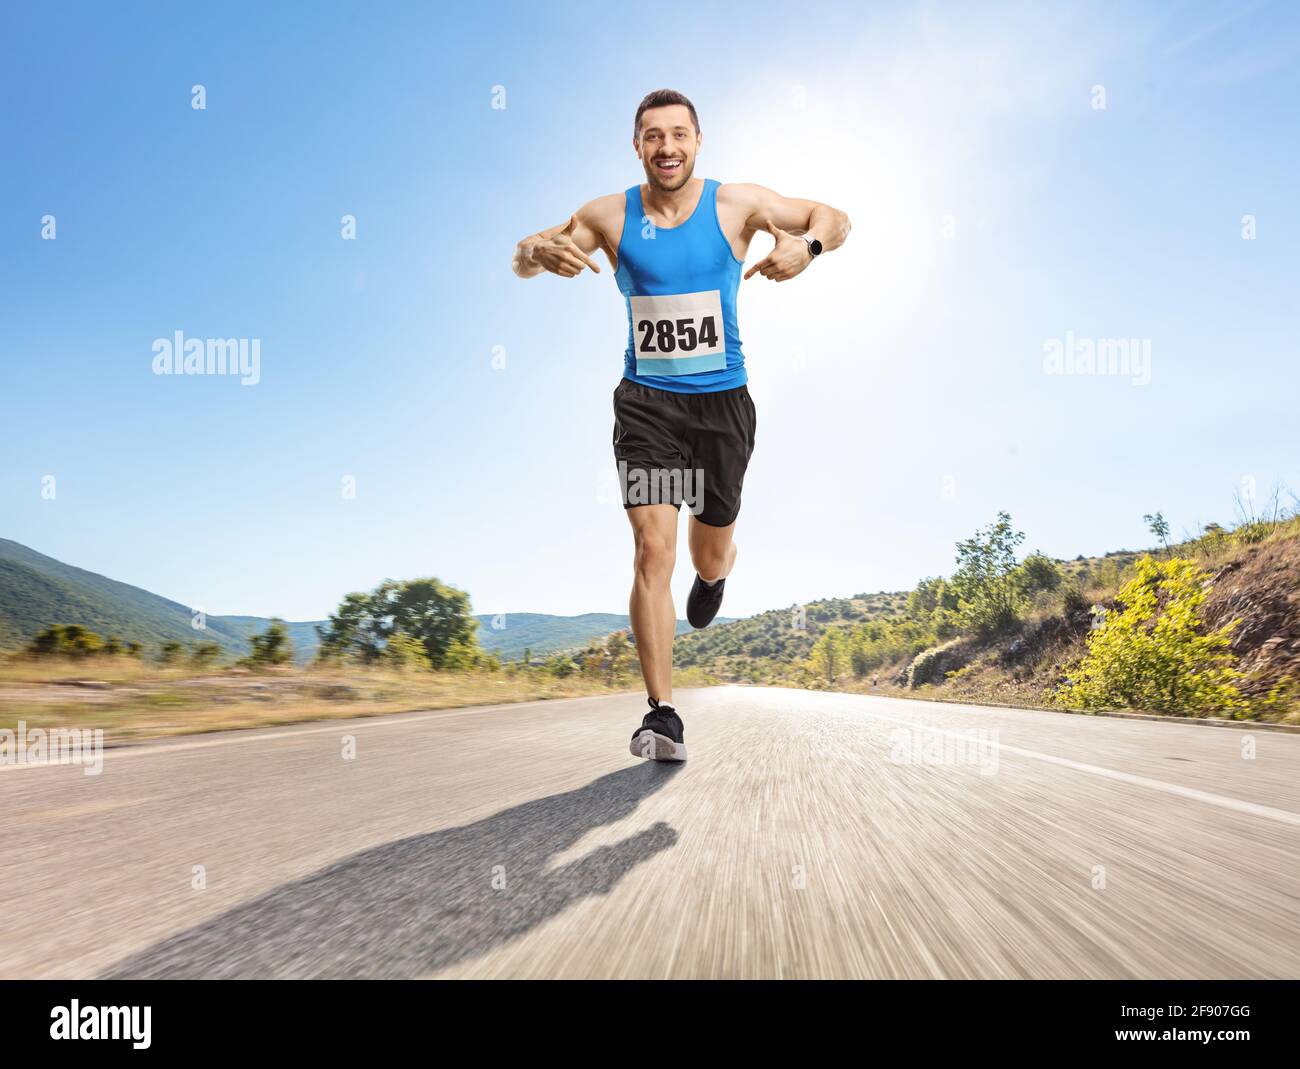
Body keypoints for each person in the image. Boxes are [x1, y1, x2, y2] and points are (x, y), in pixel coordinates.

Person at [512, 89, 851, 762]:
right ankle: (662, 714)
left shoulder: (737, 203)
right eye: (651, 136)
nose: (665, 146)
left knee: (706, 551)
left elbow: (834, 216)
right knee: (650, 550)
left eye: (678, 134)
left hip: (723, 407)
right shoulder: (608, 214)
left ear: (698, 142)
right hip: (647, 405)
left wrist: (807, 247)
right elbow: (532, 255)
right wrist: (534, 252)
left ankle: (715, 576)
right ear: (636, 146)